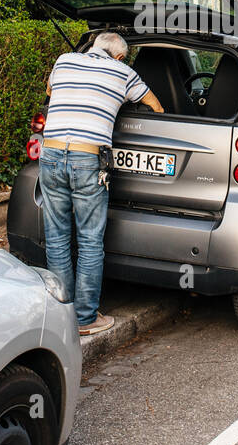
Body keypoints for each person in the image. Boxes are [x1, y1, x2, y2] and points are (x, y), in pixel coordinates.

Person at [38, 31, 163, 336]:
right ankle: (85, 318)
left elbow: (51, 93)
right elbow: (156, 108)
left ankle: (61, 313)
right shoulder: (123, 72)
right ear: (119, 56)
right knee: (90, 241)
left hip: (50, 153)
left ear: (94, 47)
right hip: (87, 159)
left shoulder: (64, 60)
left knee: (56, 238)